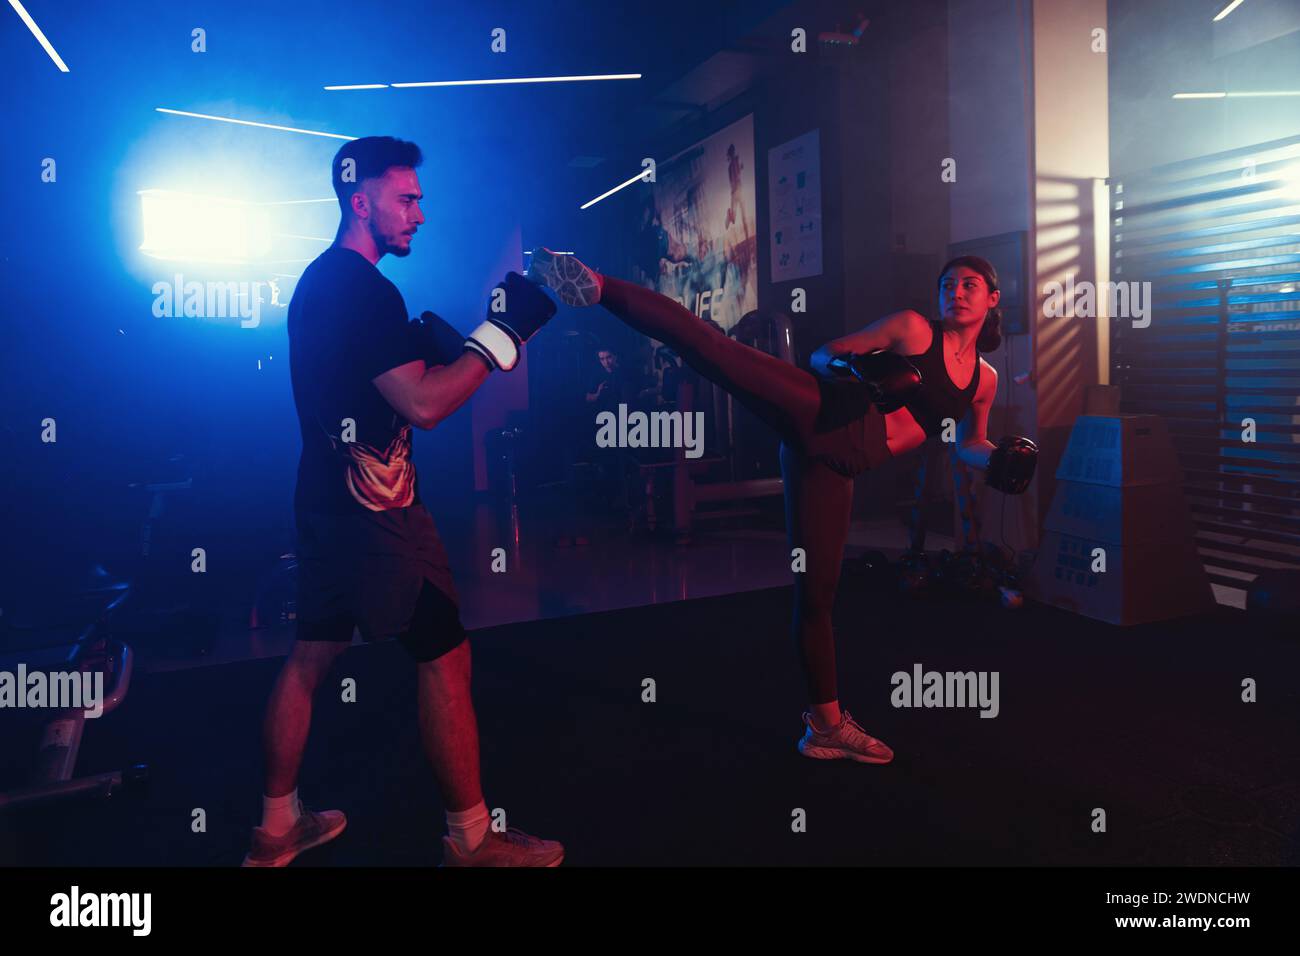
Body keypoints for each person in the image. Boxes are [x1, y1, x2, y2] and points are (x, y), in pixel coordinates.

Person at [527, 247, 1037, 764]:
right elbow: (823, 354)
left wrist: (998, 460)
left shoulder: (985, 380)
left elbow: (968, 443)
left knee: (817, 598)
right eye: (948, 284)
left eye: (969, 285)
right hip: (825, 412)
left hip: (838, 463)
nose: (955, 292)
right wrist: (856, 367)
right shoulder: (913, 329)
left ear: (993, 299)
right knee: (713, 348)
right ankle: (596, 285)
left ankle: (825, 728)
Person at [245, 136, 563, 867]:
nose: (420, 213)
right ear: (361, 202)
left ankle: (274, 827)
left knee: (310, 654)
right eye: (407, 199)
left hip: (325, 503)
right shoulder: (364, 290)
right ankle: (472, 840)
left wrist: (455, 349)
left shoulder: (319, 282)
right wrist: (500, 335)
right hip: (373, 515)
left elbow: (371, 389)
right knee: (445, 654)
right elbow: (424, 405)